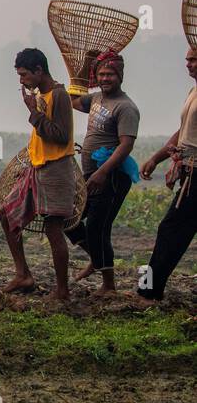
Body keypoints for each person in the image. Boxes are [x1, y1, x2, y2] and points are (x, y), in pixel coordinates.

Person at [0, 48, 77, 300]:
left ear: (39, 71)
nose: (21, 81)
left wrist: (34, 113)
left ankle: (62, 291)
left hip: (56, 170)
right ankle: (23, 274)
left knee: (54, 230)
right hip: (38, 167)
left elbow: (61, 135)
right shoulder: (43, 95)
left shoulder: (59, 95)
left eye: (24, 75)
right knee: (6, 216)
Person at [64, 50, 139, 293]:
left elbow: (126, 144)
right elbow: (73, 100)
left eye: (110, 74)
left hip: (111, 177)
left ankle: (109, 285)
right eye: (102, 74)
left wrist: (103, 172)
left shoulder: (126, 107)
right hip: (91, 175)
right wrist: (85, 65)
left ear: (121, 76)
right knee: (68, 219)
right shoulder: (96, 99)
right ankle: (97, 260)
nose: (106, 78)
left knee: (98, 228)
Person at [137, 44, 197, 302]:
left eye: (193, 60)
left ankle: (148, 290)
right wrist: (156, 158)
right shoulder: (193, 91)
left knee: (171, 229)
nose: (188, 64)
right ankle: (149, 288)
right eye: (187, 59)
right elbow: (181, 131)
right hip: (188, 171)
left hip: (196, 174)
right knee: (174, 230)